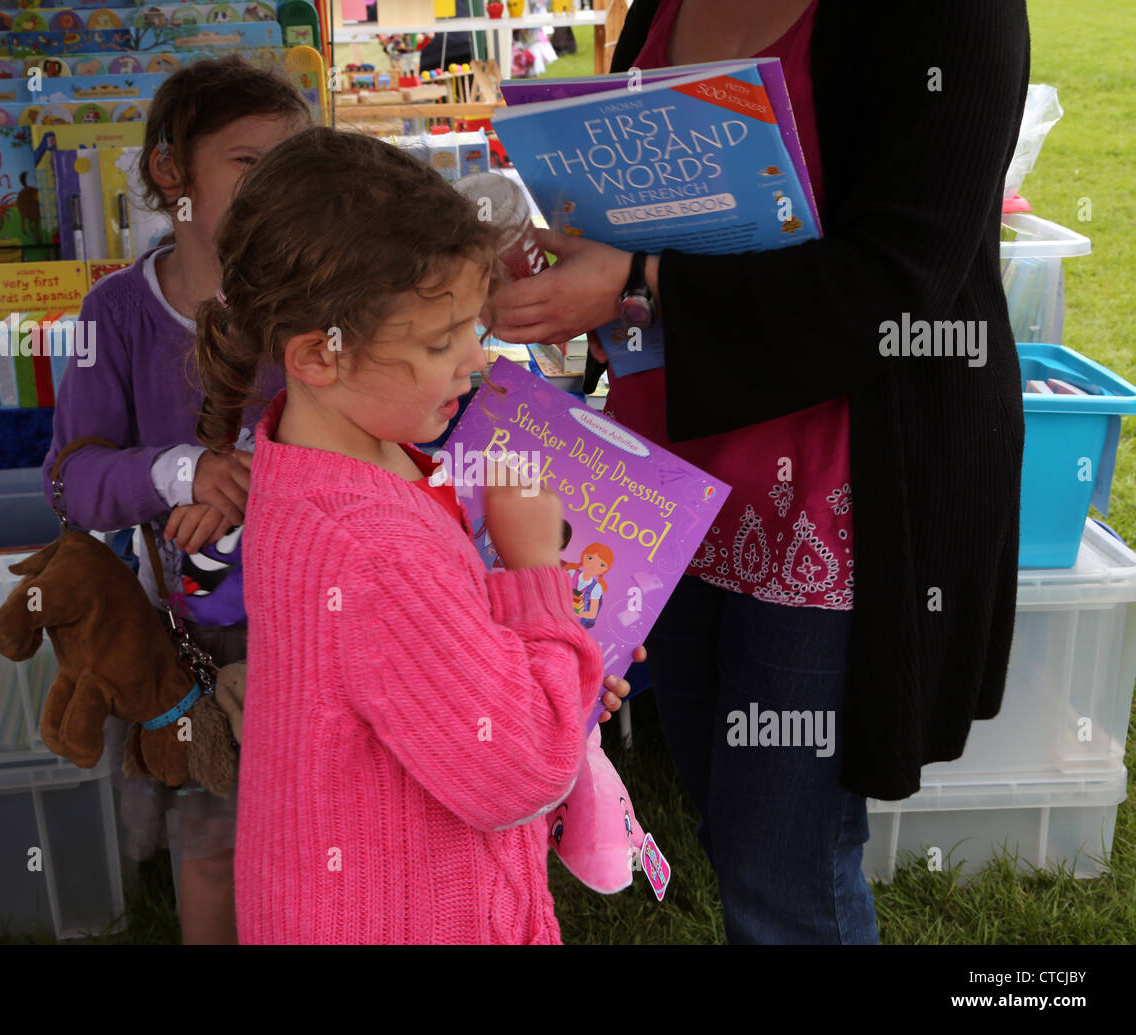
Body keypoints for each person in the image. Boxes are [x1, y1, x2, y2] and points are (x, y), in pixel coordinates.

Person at [490, 0, 1030, 943]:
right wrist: (573, 255)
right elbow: (631, 202)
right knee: (728, 821)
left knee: (782, 865)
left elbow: (901, 279)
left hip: (840, 501)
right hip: (674, 485)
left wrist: (639, 277)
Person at [191, 127, 638, 944]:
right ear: (318, 357)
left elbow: (429, 667)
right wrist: (539, 574)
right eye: (441, 341)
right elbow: (523, 769)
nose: (477, 359)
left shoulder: (319, 455)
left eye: (474, 325)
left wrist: (561, 656)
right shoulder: (372, 547)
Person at [40, 55, 312, 944]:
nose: (276, 184)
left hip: (316, 610)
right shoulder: (111, 312)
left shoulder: (316, 303)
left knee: (322, 824)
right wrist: (181, 471)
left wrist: (258, 488)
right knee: (212, 834)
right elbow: (70, 481)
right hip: (193, 635)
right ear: (170, 170)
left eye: (291, 163)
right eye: (247, 161)